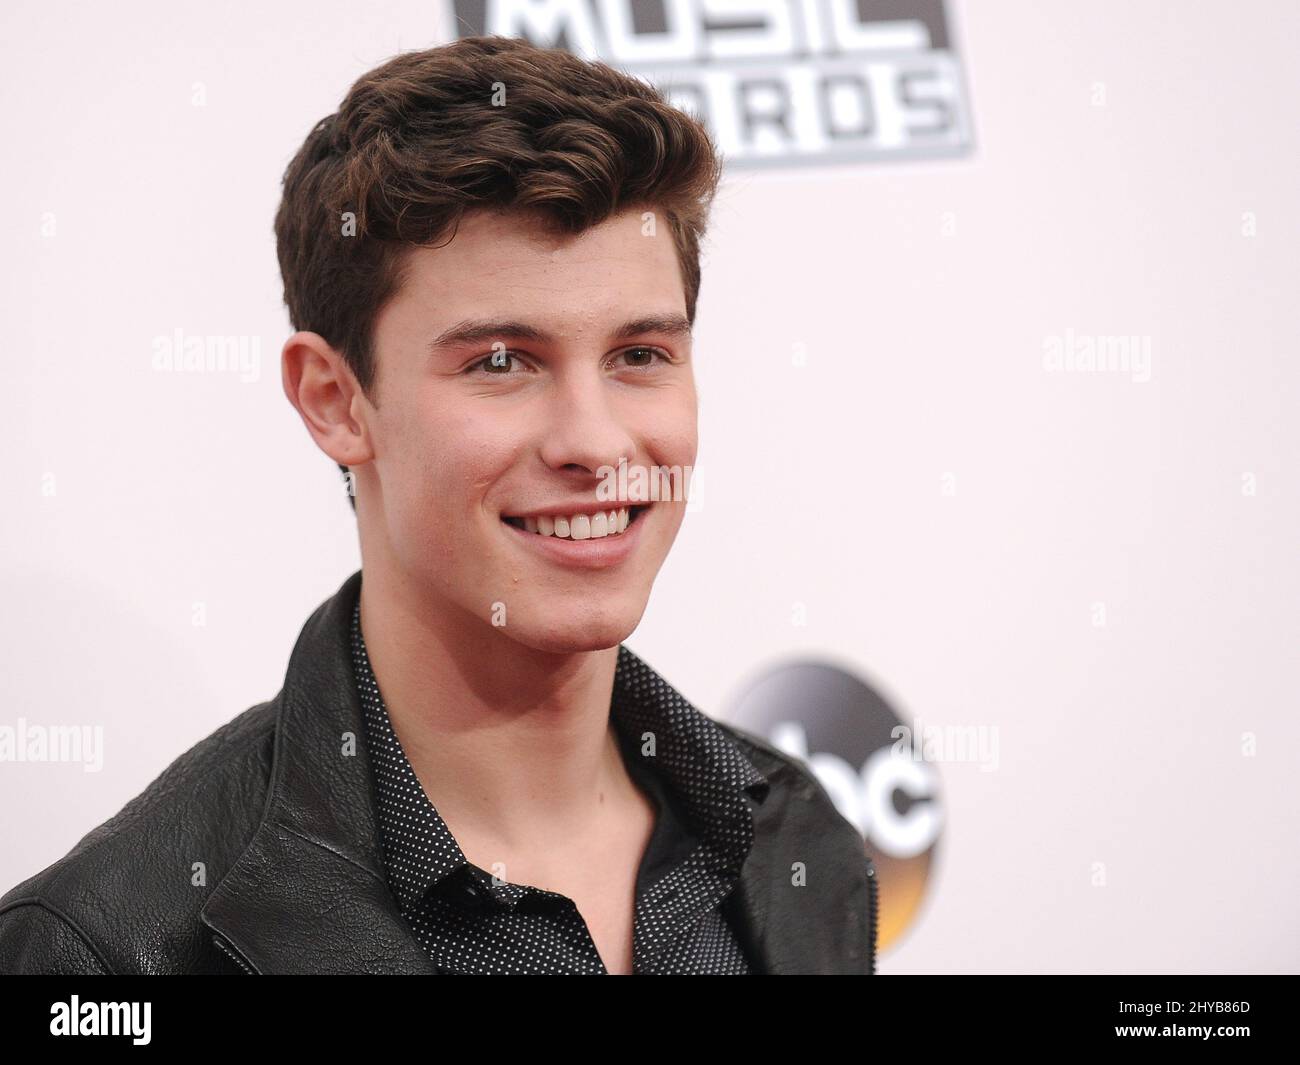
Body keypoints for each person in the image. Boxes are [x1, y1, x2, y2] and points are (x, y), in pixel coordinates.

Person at [0, 34, 876, 975]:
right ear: (335, 401)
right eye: (501, 361)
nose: (594, 442)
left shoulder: (799, 840)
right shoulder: (99, 953)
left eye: (640, 355)